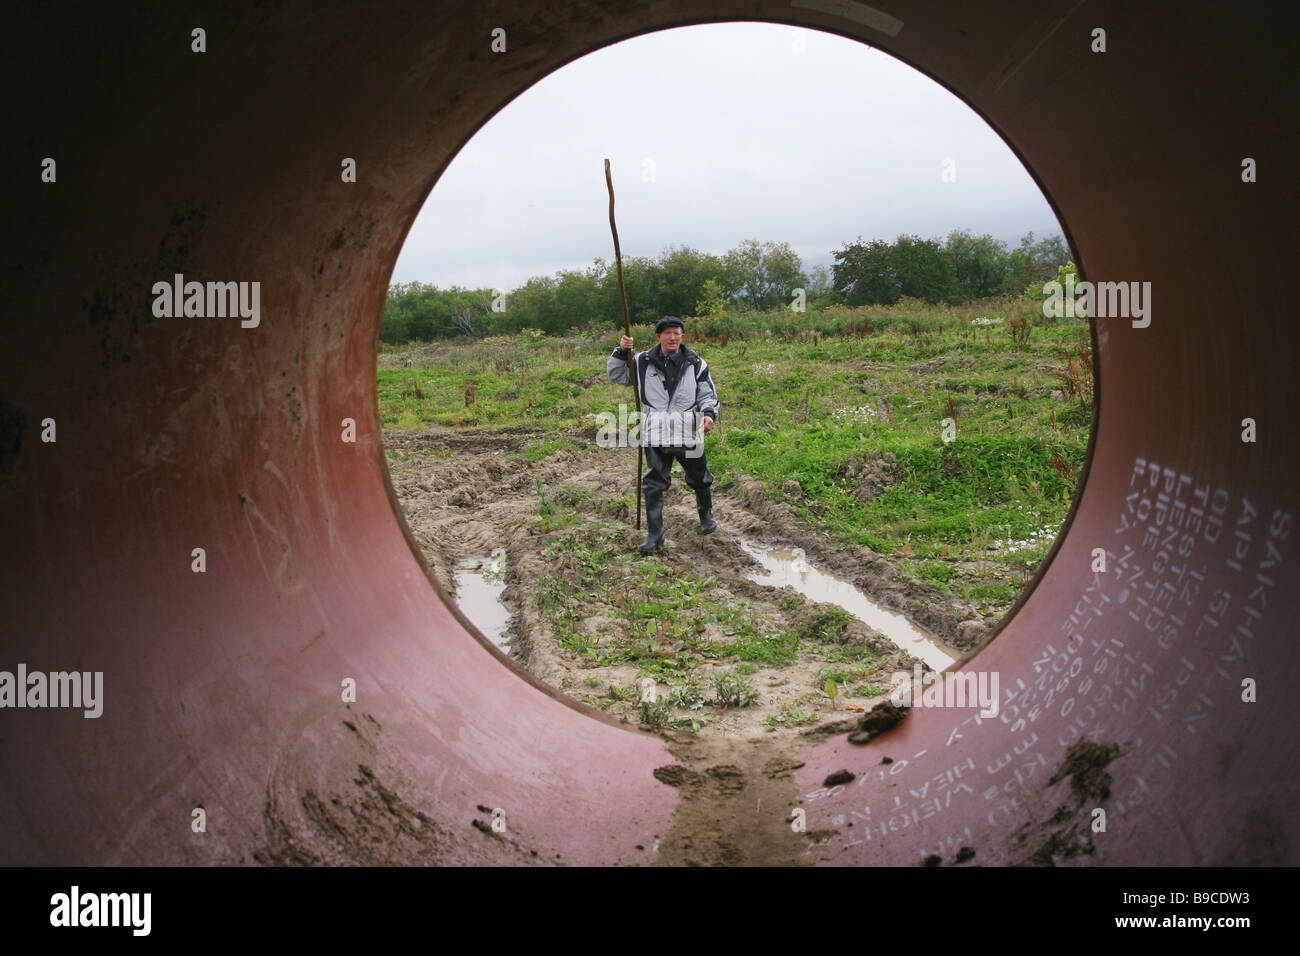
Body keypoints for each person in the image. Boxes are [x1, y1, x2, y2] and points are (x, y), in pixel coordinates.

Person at [607, 316, 719, 553]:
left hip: (688, 431)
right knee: (654, 483)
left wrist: (709, 413)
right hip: (655, 432)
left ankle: (706, 515)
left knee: (699, 478)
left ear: (682, 336)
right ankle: (654, 535)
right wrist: (621, 352)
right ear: (658, 337)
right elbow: (618, 375)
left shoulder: (696, 363)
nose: (672, 337)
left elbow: (707, 393)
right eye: (667, 333)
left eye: (677, 333)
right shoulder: (641, 361)